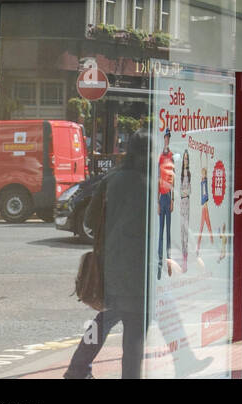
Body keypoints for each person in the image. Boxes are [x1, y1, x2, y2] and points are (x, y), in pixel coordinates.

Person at [64, 132, 210, 378]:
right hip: (142, 271)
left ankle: (77, 370)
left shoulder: (110, 180)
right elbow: (170, 223)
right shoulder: (153, 184)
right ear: (150, 154)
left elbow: (89, 221)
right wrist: (190, 253)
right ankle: (84, 370)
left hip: (111, 267)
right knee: (134, 335)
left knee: (109, 319)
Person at [156, 129, 174, 279]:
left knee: (168, 231)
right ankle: (159, 264)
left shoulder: (171, 156)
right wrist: (157, 201)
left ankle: (168, 262)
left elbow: (173, 178)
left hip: (168, 195)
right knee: (161, 232)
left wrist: (173, 199)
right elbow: (157, 178)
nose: (166, 140)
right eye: (165, 138)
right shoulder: (161, 157)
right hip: (162, 195)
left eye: (168, 138)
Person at [177, 150, 192, 272]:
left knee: (186, 231)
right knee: (182, 231)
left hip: (187, 203)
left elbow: (188, 191)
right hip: (182, 203)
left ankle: (185, 260)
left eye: (187, 159)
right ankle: (183, 259)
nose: (185, 161)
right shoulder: (181, 174)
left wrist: (184, 193)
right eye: (184, 159)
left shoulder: (189, 174)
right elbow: (181, 191)